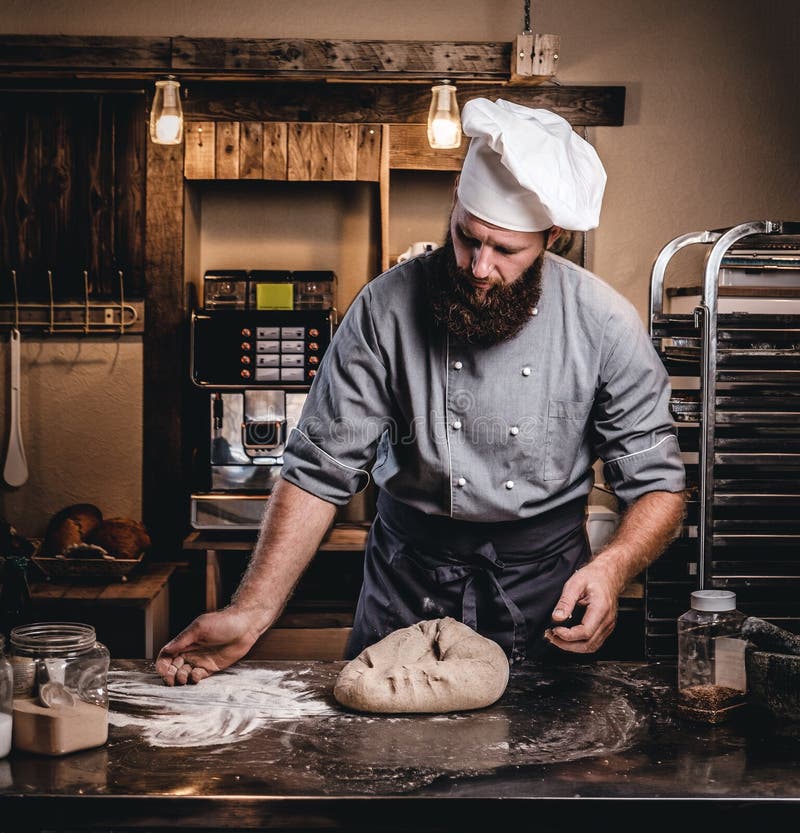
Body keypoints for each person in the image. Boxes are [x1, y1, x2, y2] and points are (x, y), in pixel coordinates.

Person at [157, 98, 686, 685]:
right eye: (467, 237)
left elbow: (659, 487)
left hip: (547, 594)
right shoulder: (384, 309)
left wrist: (611, 568)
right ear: (454, 202)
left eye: (506, 250)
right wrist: (251, 610)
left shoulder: (604, 325)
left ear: (550, 238)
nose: (479, 267)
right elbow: (319, 470)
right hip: (408, 586)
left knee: (542, 762)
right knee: (389, 761)